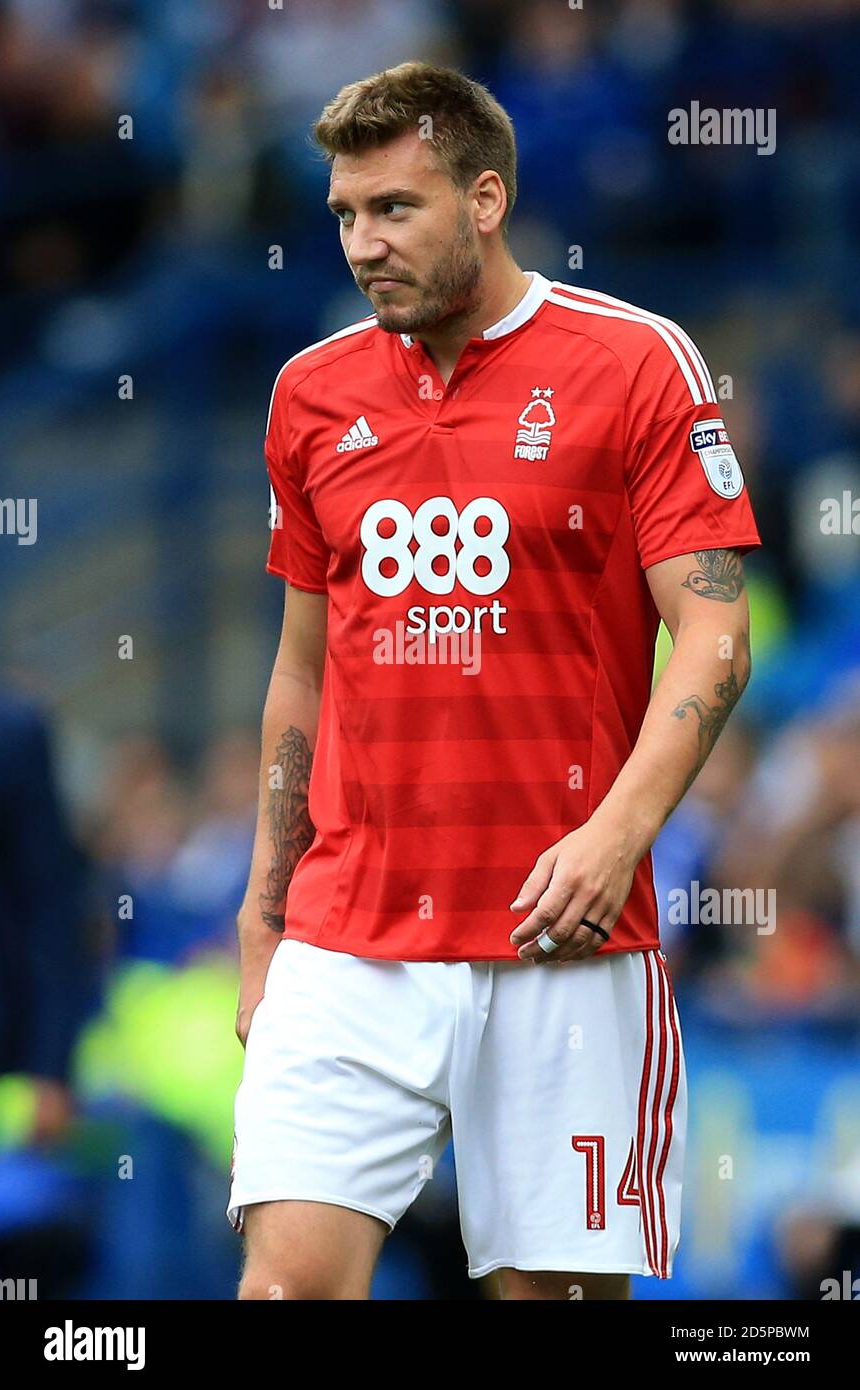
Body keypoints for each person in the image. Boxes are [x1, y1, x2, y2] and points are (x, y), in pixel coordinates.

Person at [227, 61, 761, 1301]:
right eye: (345, 215)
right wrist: (264, 919)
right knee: (284, 1287)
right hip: (347, 938)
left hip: (559, 940)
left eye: (394, 209)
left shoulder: (633, 363)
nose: (364, 245)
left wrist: (614, 835)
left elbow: (715, 635)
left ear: (483, 198)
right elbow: (301, 670)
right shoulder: (309, 394)